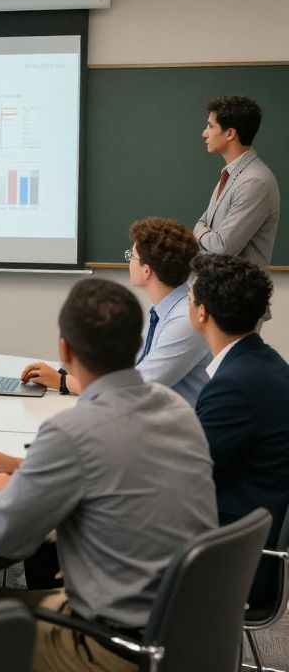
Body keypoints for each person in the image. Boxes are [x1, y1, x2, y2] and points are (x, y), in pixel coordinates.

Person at [0, 279, 216, 672]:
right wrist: (26, 469)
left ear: (63, 349)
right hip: (187, 632)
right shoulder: (178, 411)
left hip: (113, 648)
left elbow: (3, 537)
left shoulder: (73, 430)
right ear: (139, 344)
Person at [188, 253, 289, 608]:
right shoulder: (266, 363)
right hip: (251, 535)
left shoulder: (234, 385)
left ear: (201, 312)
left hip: (234, 557)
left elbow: (187, 475)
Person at [21, 217, 211, 405]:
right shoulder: (164, 310)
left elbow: (134, 390)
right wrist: (71, 370)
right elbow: (128, 372)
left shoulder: (185, 320)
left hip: (178, 430)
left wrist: (62, 381)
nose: (128, 262)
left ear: (147, 271)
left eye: (132, 256)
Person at [194, 95, 279, 270]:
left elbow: (222, 246)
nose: (204, 133)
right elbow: (204, 223)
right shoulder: (231, 174)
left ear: (230, 133)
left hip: (239, 294)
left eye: (210, 126)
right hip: (217, 289)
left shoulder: (255, 182)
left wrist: (199, 231)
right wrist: (205, 231)